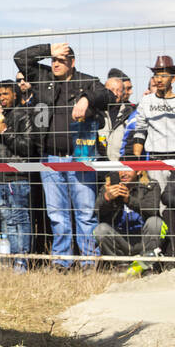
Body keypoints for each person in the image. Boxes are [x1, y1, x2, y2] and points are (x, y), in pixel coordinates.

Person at [14, 41, 109, 270]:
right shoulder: (43, 78)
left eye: (60, 60)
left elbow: (105, 94)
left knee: (85, 214)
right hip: (50, 159)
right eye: (53, 60)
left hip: (80, 159)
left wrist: (86, 99)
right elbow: (20, 57)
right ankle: (61, 262)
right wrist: (48, 50)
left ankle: (89, 262)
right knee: (57, 215)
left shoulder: (87, 81)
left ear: (72, 62)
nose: (55, 64)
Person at [125, 56, 175, 197]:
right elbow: (140, 132)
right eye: (156, 75)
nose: (159, 79)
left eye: (164, 75)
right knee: (159, 200)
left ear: (173, 79)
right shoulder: (146, 102)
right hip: (155, 160)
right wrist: (137, 163)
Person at [0, 79, 35, 272]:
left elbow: (27, 148)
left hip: (18, 177)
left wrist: (5, 131)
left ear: (15, 94)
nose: (2, 98)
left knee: (20, 220)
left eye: (6, 94)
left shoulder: (24, 116)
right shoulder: (1, 117)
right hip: (0, 177)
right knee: (6, 220)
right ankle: (8, 261)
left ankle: (21, 262)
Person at [93, 169, 164, 272]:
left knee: (156, 223)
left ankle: (148, 265)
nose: (123, 173)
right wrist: (107, 198)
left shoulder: (151, 185)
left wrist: (129, 199)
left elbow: (152, 210)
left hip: (143, 239)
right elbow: (98, 212)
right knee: (100, 230)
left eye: (128, 169)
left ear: (138, 171)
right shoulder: (109, 187)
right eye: (120, 170)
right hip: (121, 240)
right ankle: (120, 266)